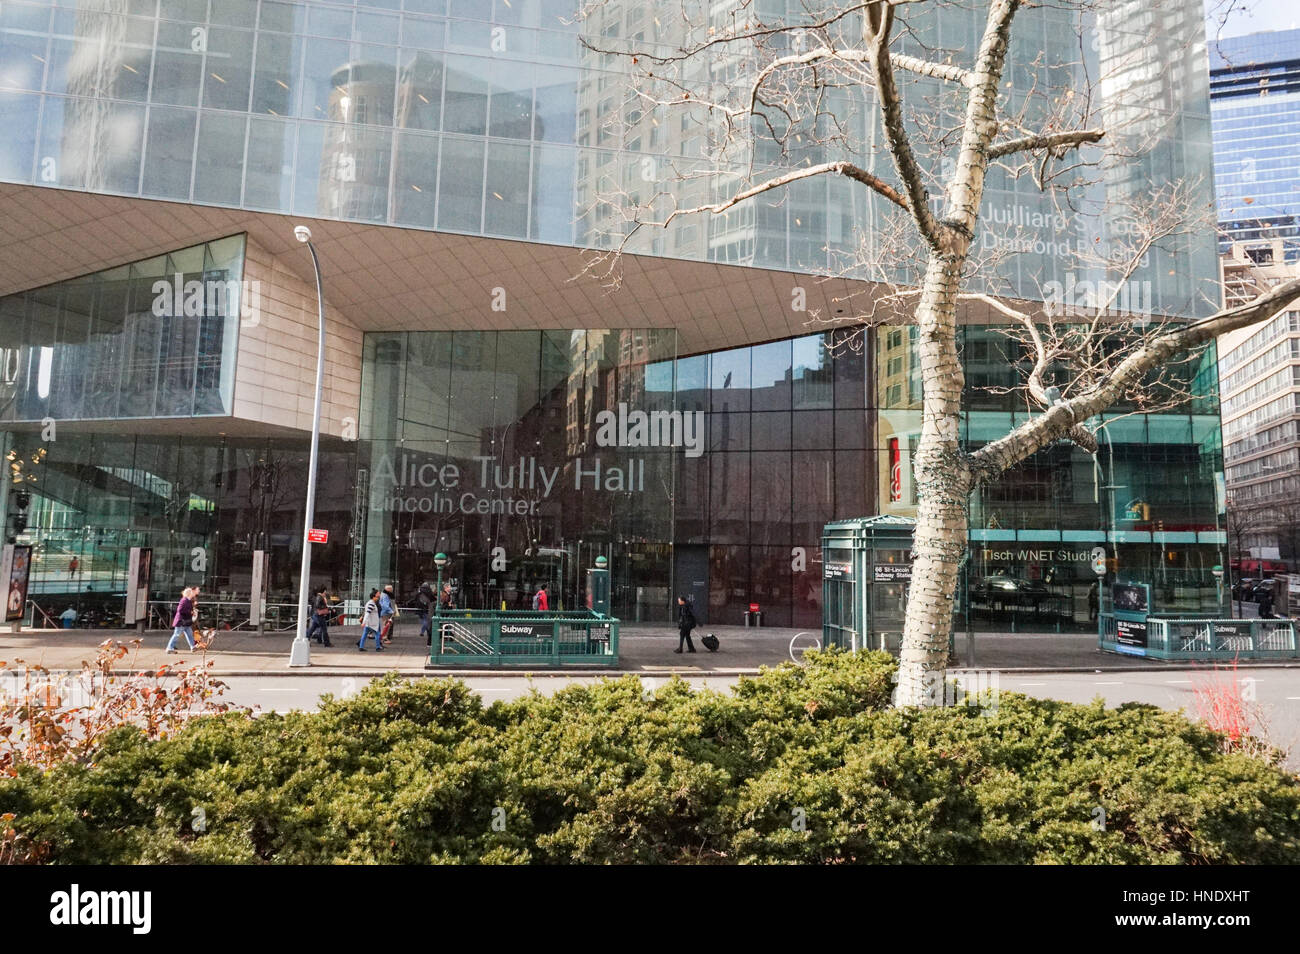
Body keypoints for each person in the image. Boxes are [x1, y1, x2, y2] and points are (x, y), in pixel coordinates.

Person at [166, 587, 196, 653]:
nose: (193, 594)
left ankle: (193, 646)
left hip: (185, 622)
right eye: (192, 592)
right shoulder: (184, 600)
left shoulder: (187, 600)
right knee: (177, 634)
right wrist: (190, 612)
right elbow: (180, 610)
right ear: (189, 593)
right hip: (181, 621)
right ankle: (169, 648)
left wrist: (191, 612)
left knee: (190, 634)